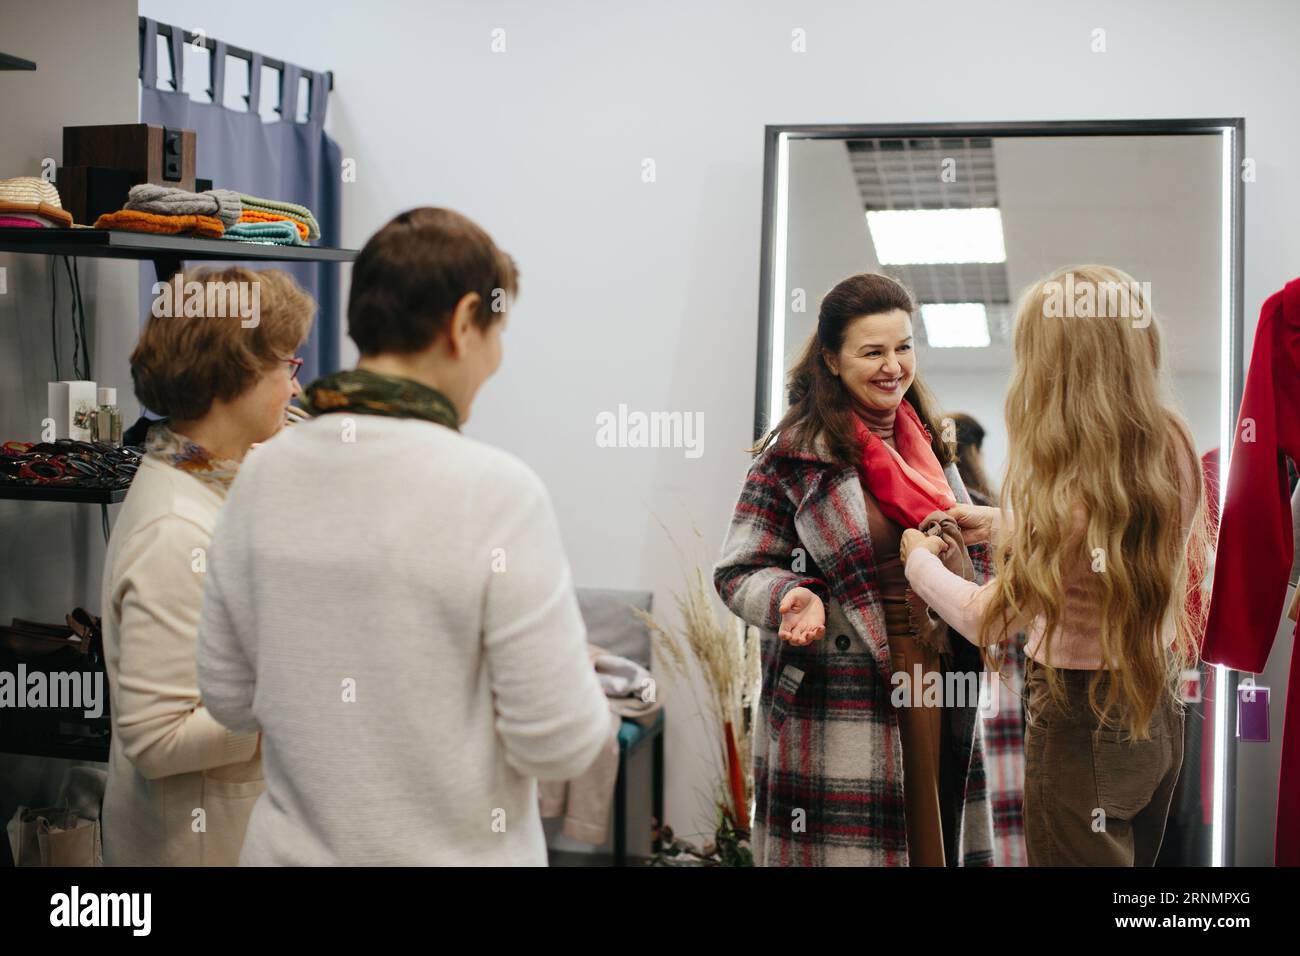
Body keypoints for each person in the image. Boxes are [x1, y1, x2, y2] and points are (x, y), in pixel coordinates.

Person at [196, 207, 614, 865]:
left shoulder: (262, 472)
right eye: (497, 332)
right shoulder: (496, 492)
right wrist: (574, 673)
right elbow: (558, 743)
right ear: (464, 321)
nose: (496, 358)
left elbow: (227, 700)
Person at [901, 264, 1210, 866]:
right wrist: (1004, 527)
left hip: (1080, 721)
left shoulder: (1066, 482)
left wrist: (917, 563)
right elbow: (1098, 549)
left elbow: (987, 619)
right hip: (1157, 709)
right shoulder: (1168, 440)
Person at [714, 273, 993, 866]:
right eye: (873, 352)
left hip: (935, 673)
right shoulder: (791, 456)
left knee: (930, 838)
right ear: (831, 360)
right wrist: (794, 593)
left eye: (904, 347)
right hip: (838, 691)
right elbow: (738, 569)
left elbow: (977, 553)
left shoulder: (932, 448)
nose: (893, 365)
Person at [101, 267, 315, 865]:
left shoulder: (206, 477)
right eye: (286, 369)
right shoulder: (176, 530)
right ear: (233, 378)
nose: (294, 391)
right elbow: (157, 739)